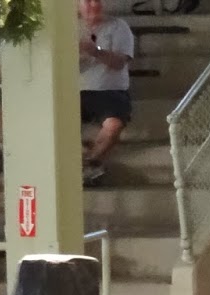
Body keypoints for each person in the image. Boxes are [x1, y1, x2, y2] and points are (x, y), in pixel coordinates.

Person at [78, 0, 135, 186]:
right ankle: (87, 165)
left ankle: (88, 164)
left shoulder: (118, 26)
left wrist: (96, 52)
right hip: (75, 92)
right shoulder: (70, 27)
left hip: (110, 91)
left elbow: (119, 63)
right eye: (87, 1)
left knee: (114, 125)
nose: (93, 5)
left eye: (97, 1)